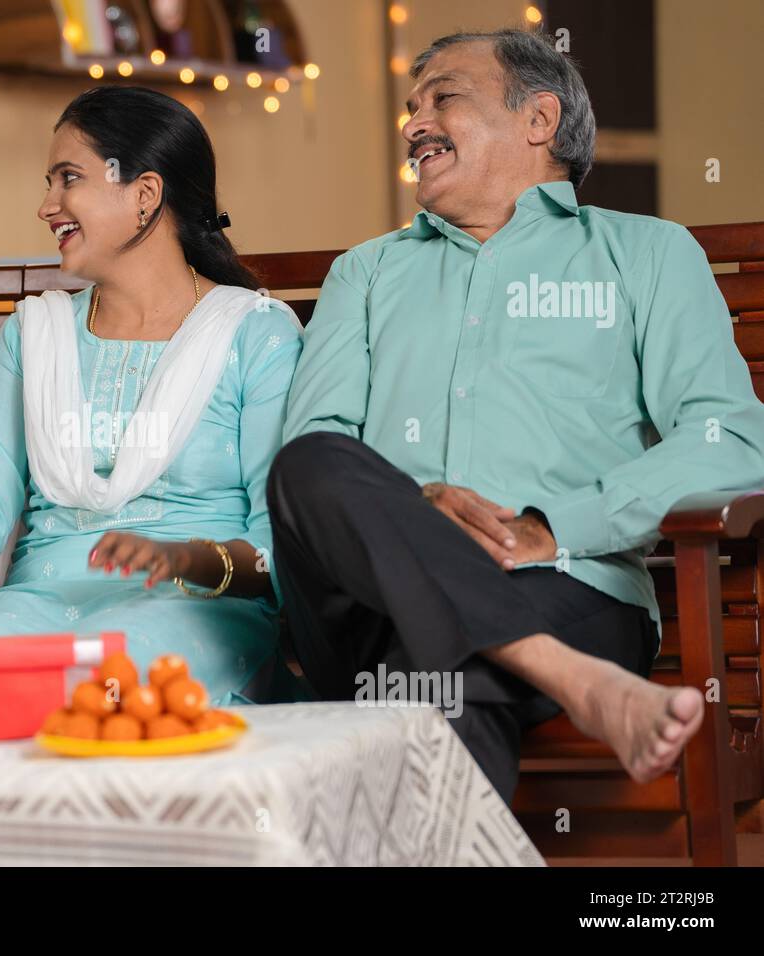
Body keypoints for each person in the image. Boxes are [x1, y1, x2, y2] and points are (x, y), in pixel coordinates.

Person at [269, 29, 764, 802]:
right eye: (410, 107)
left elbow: (730, 439)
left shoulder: (647, 256)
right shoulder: (366, 273)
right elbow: (315, 448)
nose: (412, 124)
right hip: (366, 602)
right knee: (308, 463)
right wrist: (413, 514)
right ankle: (573, 679)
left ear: (539, 119)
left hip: (564, 584)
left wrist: (549, 528)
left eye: (444, 98)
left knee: (438, 686)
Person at [0, 87, 303, 717]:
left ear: (145, 195)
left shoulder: (254, 334)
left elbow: (280, 548)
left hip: (194, 610)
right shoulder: (34, 335)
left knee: (116, 675)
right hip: (38, 604)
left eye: (68, 179)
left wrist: (181, 557)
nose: (46, 206)